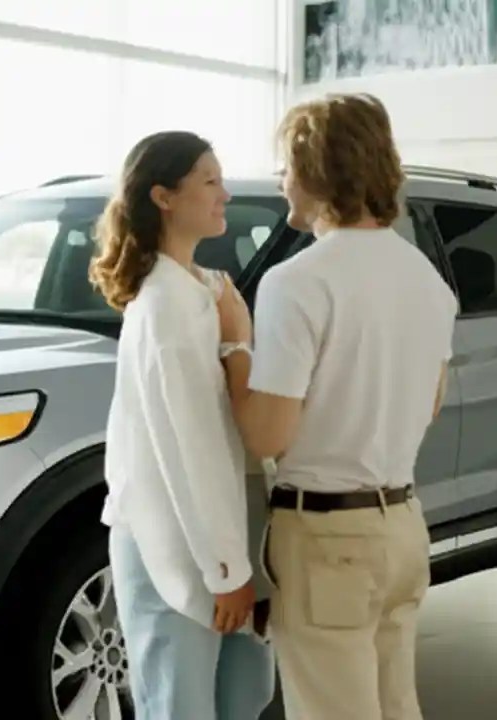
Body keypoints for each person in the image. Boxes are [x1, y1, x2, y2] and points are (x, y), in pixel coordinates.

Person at [217, 93, 458, 720]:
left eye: (287, 166)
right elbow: (429, 404)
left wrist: (233, 348)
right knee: (394, 705)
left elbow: (269, 435)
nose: (281, 180)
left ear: (319, 172)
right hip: (403, 526)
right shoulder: (428, 280)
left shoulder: (297, 282)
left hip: (327, 539)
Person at [92, 130, 275, 719]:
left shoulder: (208, 290)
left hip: (223, 540)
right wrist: (227, 568)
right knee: (180, 708)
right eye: (210, 181)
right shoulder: (167, 303)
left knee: (242, 698)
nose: (225, 193)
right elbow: (187, 446)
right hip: (179, 545)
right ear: (164, 197)